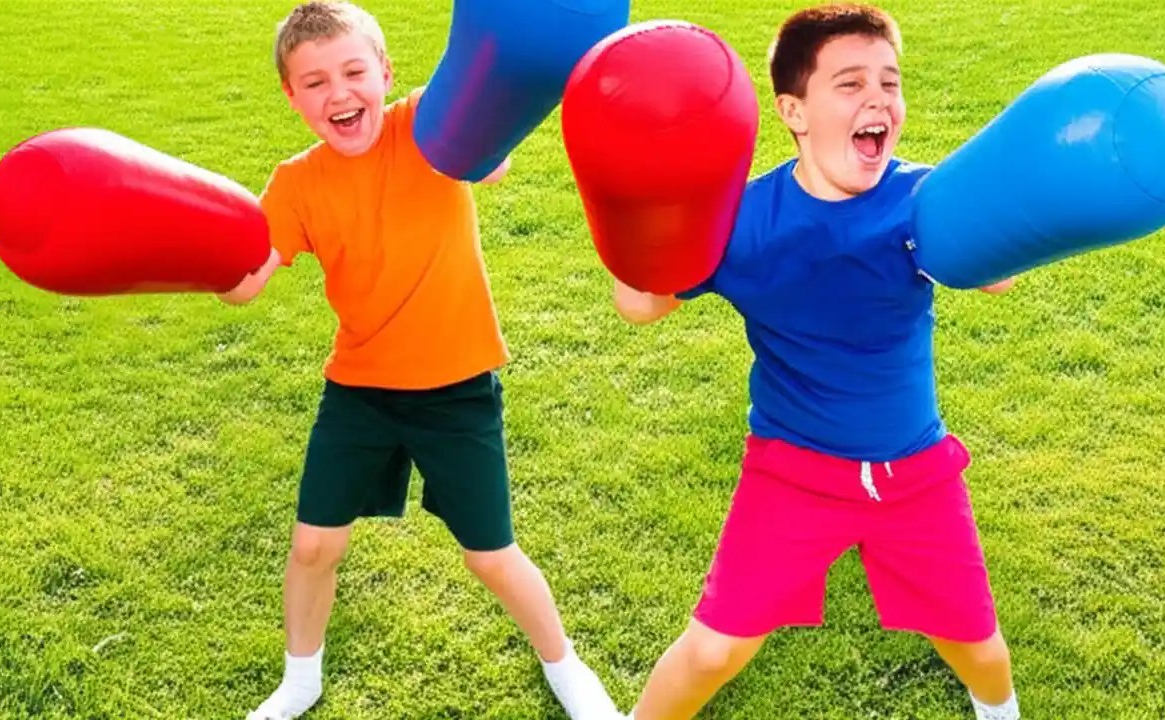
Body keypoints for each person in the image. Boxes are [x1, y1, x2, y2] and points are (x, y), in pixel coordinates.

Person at [610, 4, 1020, 719]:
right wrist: (635, 205)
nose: (878, 99)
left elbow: (998, 276)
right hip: (792, 475)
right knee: (712, 652)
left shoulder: (921, 200)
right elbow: (640, 304)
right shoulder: (742, 221)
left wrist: (999, 212)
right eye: (851, 83)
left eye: (890, 83)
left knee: (979, 648)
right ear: (793, 111)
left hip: (914, 475)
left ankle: (998, 710)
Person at [220, 3, 620, 718]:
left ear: (385, 72)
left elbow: (491, 162)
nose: (339, 94)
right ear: (291, 96)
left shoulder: (425, 123)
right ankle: (300, 679)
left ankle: (566, 666)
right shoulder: (296, 183)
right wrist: (187, 247)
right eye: (314, 83)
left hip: (456, 390)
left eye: (353, 72)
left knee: (489, 554)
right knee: (313, 547)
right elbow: (245, 284)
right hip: (361, 392)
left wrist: (475, 128)